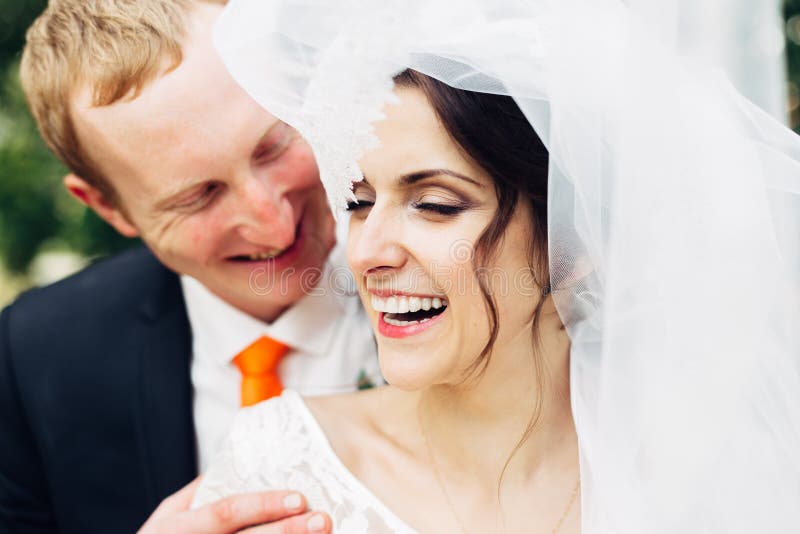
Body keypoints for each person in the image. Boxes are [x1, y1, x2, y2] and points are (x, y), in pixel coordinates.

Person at [192, 0, 800, 532]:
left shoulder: (705, 475)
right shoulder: (283, 476)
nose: (367, 253)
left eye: (433, 205)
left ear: (574, 237)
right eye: (359, 203)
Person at [0, 1, 382, 532]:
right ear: (107, 206)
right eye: (199, 196)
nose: (273, 223)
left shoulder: (462, 286)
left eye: (272, 147)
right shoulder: (32, 357)